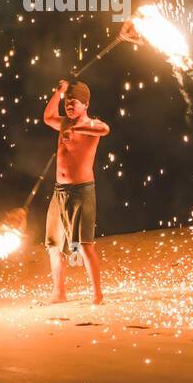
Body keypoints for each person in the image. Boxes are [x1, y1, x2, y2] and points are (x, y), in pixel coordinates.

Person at [42, 78, 110, 304]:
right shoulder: (62, 123)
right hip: (59, 191)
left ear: (86, 104)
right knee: (54, 245)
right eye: (67, 102)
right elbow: (47, 117)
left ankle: (97, 295)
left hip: (82, 192)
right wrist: (59, 91)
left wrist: (76, 127)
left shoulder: (91, 125)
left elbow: (105, 129)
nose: (69, 105)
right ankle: (59, 292)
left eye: (74, 102)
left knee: (84, 245)